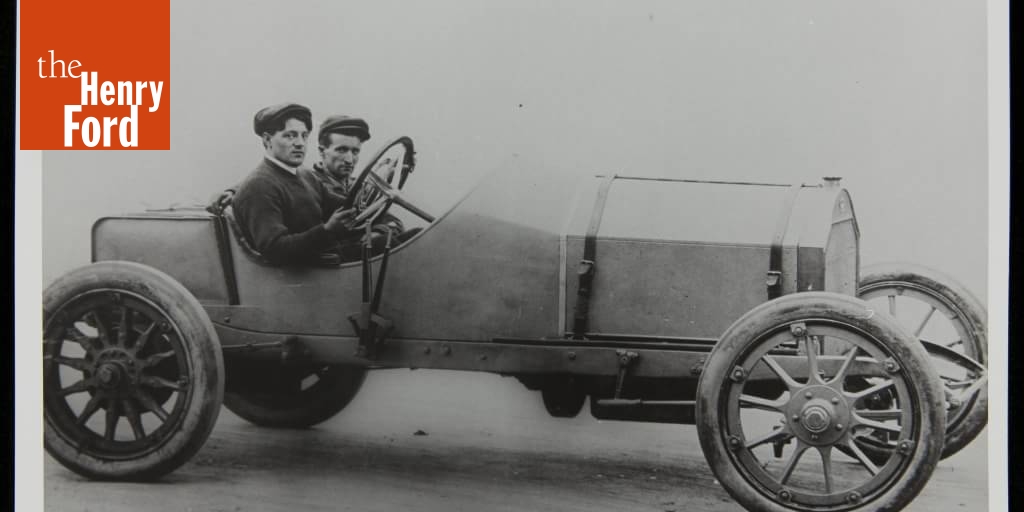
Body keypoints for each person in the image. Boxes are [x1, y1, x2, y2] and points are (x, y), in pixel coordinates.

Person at [230, 102, 360, 265]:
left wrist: (368, 201)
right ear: (267, 140)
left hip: (323, 263)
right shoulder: (259, 186)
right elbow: (274, 249)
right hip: (307, 272)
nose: (300, 143)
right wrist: (327, 231)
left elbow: (341, 206)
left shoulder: (305, 175)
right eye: (290, 136)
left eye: (304, 136)